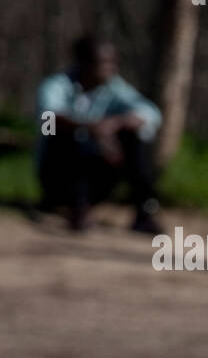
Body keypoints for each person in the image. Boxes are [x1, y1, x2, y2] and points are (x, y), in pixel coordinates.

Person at [35, 35, 163, 233]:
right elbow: (46, 121)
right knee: (62, 134)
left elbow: (151, 113)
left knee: (134, 136)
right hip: (57, 177)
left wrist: (113, 125)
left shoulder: (114, 87)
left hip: (100, 175)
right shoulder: (56, 85)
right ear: (83, 63)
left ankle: (145, 212)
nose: (111, 68)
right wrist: (88, 128)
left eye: (113, 62)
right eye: (104, 62)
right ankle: (77, 209)